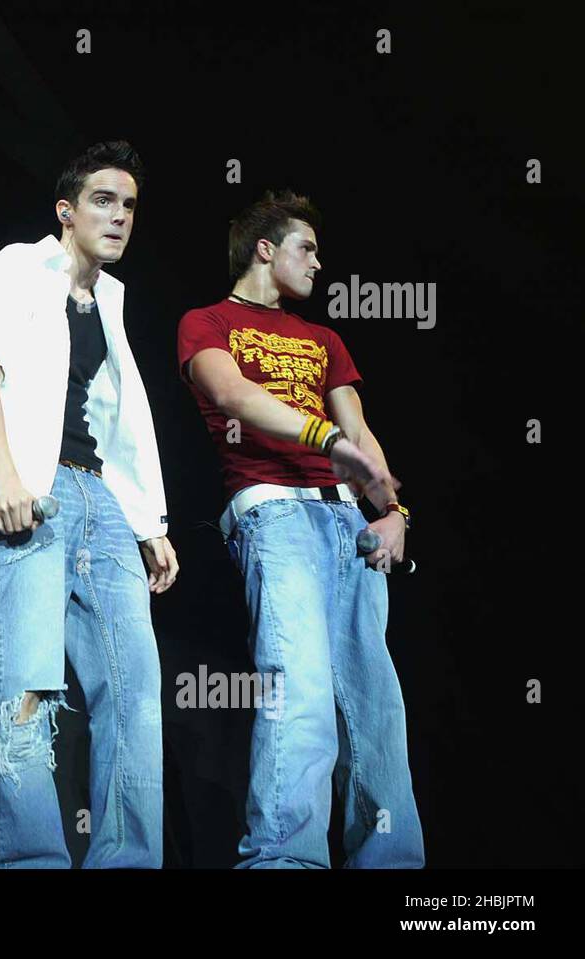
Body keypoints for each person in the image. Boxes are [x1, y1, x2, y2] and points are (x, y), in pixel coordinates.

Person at [0, 141, 178, 867]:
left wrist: (147, 521)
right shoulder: (17, 266)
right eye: (104, 200)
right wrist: (4, 476)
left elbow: (117, 418)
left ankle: (126, 860)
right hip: (29, 494)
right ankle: (35, 859)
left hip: (98, 497)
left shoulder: (109, 299)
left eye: (130, 204)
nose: (120, 215)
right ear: (66, 211)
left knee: (134, 693)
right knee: (27, 689)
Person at [177, 189, 424, 868]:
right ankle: (285, 859)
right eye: (306, 248)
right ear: (266, 248)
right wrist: (324, 437)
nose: (318, 263)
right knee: (302, 685)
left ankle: (393, 862)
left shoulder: (325, 339)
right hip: (275, 510)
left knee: (377, 704)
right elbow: (232, 395)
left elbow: (360, 433)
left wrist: (394, 512)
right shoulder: (207, 320)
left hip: (347, 518)